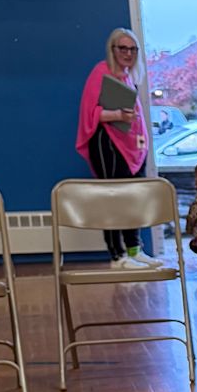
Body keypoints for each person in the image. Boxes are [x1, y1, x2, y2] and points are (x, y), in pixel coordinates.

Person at [74, 27, 159, 269]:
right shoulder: (101, 73)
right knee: (113, 198)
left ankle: (135, 249)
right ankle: (117, 256)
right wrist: (116, 114)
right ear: (113, 50)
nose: (128, 53)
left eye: (132, 49)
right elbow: (90, 113)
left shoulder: (128, 77)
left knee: (132, 198)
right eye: (123, 48)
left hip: (131, 146)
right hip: (108, 144)